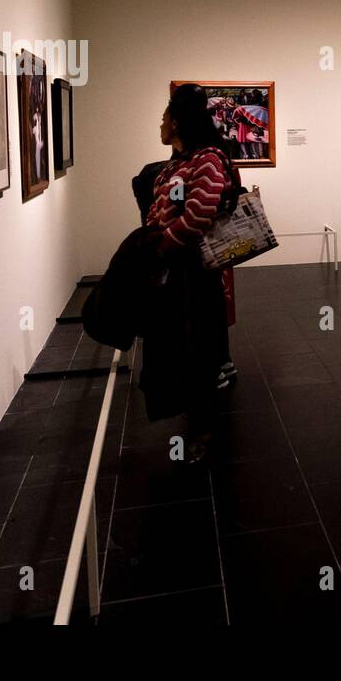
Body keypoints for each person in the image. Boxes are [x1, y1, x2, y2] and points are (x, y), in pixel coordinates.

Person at [141, 84, 239, 462]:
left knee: (199, 353)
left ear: (177, 122)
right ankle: (193, 423)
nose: (160, 124)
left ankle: (203, 432)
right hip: (175, 273)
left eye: (164, 118)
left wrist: (162, 245)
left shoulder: (208, 160)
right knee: (182, 351)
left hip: (195, 275)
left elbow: (198, 215)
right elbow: (161, 209)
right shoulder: (176, 164)